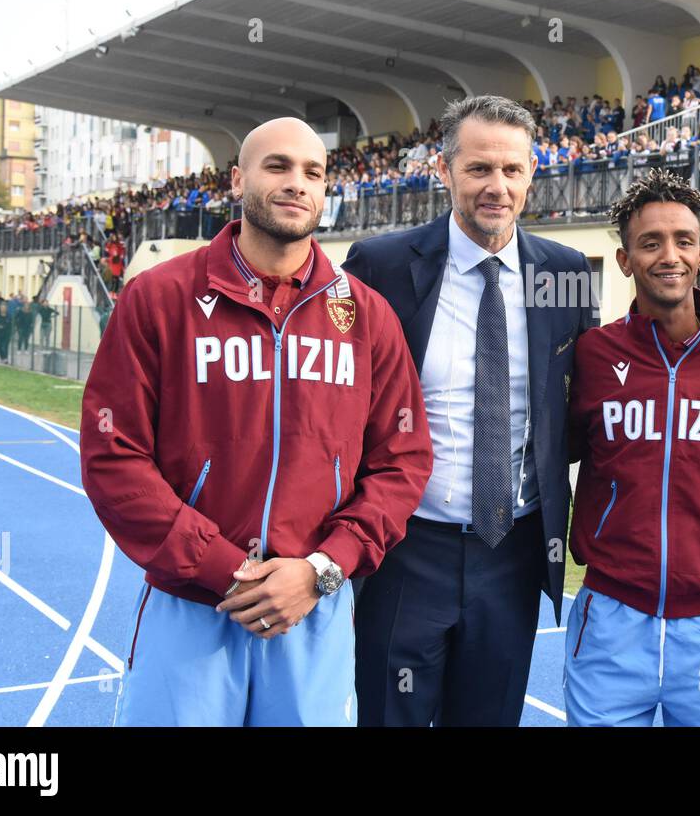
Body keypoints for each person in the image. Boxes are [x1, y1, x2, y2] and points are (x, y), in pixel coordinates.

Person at [79, 117, 434, 726]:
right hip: (194, 602)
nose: (297, 183)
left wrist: (322, 570)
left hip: (312, 607)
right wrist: (222, 569)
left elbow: (402, 461)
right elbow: (115, 455)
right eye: (278, 167)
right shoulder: (159, 298)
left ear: (325, 192)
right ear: (239, 178)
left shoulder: (367, 317)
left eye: (313, 172)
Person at [343, 95, 599, 727]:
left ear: (533, 173)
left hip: (512, 550)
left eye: (512, 170)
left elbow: (586, 396)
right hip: (406, 548)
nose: (497, 186)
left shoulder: (564, 274)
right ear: (444, 169)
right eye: (480, 168)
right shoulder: (380, 265)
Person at [563, 170, 700, 726]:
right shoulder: (590, 356)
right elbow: (552, 454)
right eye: (651, 242)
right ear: (624, 260)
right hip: (612, 615)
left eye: (683, 241)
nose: (669, 255)